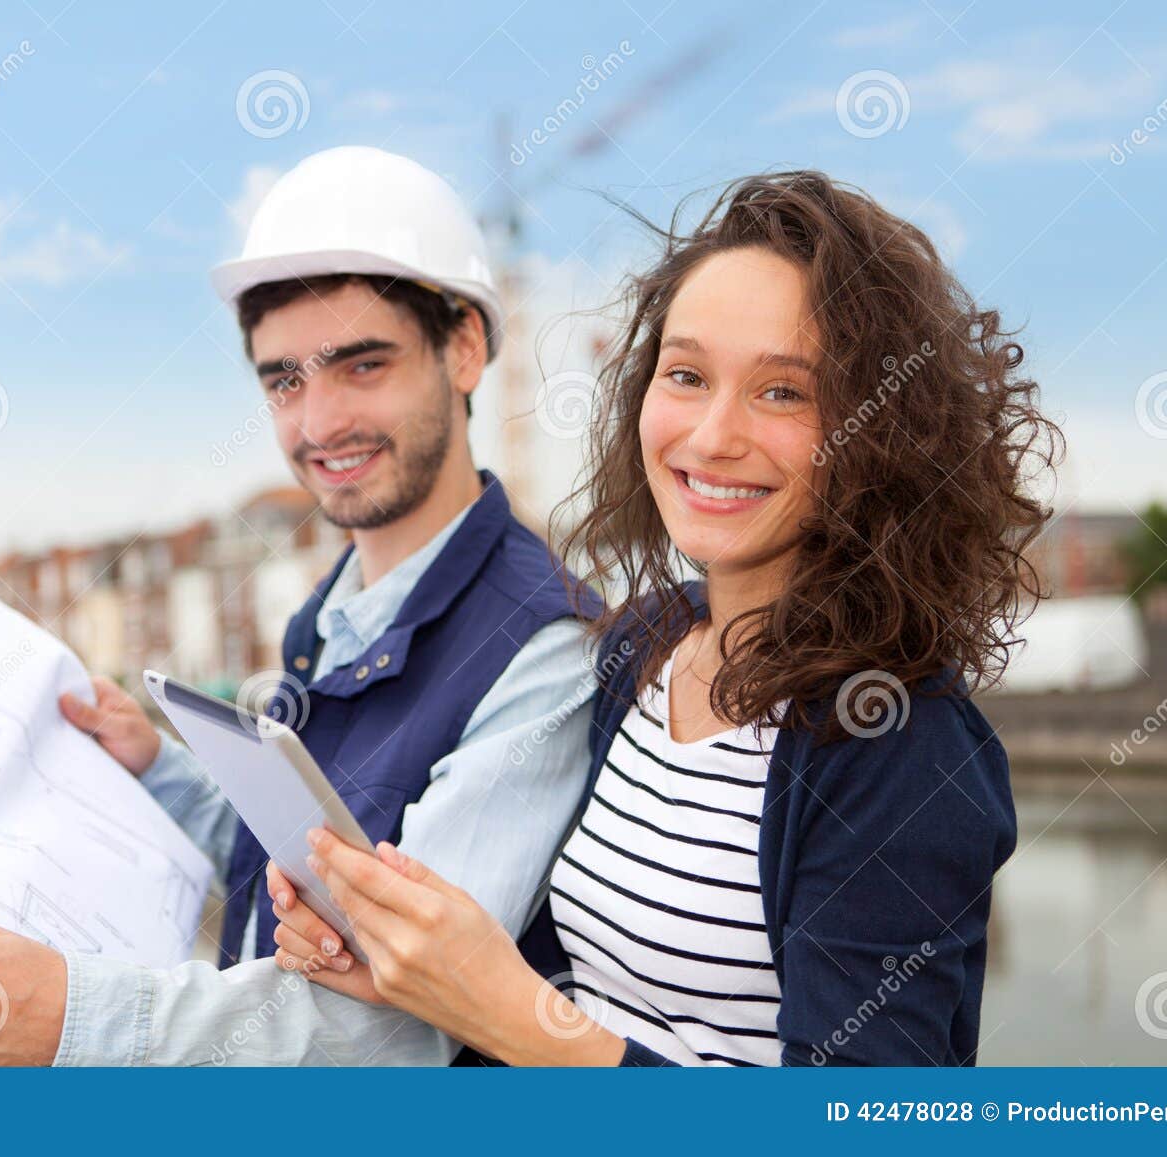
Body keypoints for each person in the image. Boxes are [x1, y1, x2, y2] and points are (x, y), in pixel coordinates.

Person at [272, 170, 1058, 1066]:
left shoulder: (898, 745)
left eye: (783, 392)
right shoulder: (644, 646)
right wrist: (407, 972)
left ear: (881, 433)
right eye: (686, 375)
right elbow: (579, 987)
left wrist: (505, 1009)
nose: (713, 434)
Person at [0, 146, 598, 1066]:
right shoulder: (328, 621)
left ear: (463, 347)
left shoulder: (540, 651)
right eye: (284, 379)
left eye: (361, 365)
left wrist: (73, 1018)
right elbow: (299, 869)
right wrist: (157, 770)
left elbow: (397, 1019)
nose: (317, 423)